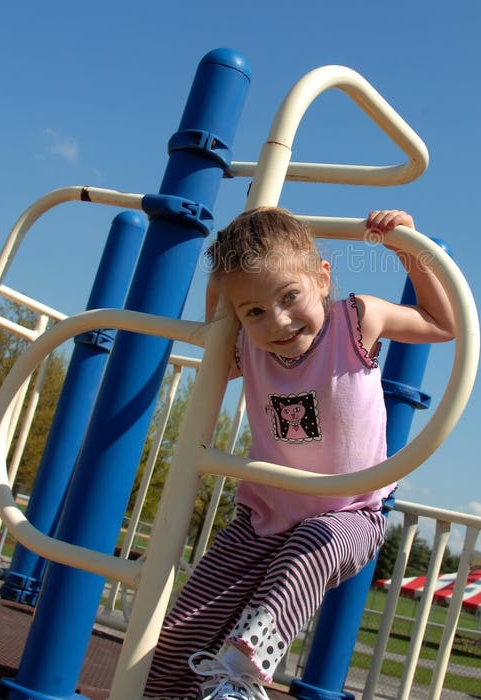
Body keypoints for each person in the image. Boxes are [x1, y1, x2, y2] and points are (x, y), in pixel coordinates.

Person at [143, 207, 455, 700]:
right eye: (254, 311)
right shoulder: (246, 347)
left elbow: (442, 323)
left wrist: (406, 250)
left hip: (347, 518)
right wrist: (219, 289)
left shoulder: (355, 321)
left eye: (290, 296)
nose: (279, 321)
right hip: (260, 519)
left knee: (310, 546)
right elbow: (216, 353)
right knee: (179, 634)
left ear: (322, 278)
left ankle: (241, 674)